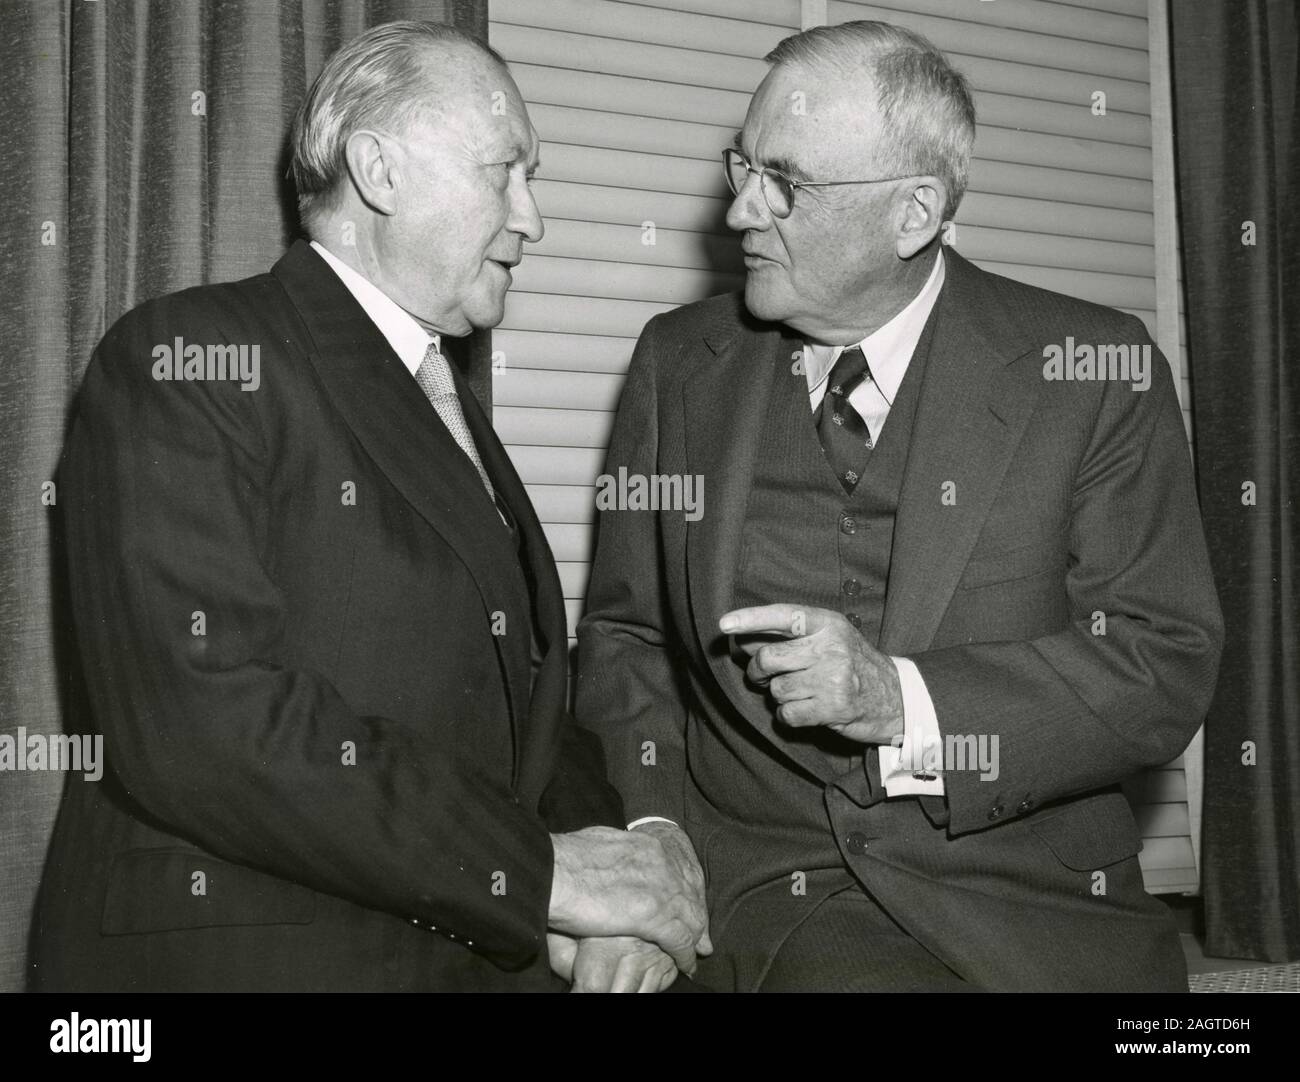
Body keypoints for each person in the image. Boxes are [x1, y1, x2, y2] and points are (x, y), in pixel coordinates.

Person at [31, 21, 706, 993]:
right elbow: (203, 722)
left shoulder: (444, 397)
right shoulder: (187, 359)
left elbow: (522, 715)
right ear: (379, 172)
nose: (533, 218)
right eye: (505, 170)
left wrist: (620, 870)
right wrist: (553, 875)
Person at [576, 20, 1223, 992]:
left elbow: (1161, 664)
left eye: (783, 181)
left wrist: (901, 701)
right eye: (739, 166)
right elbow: (626, 636)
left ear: (913, 212)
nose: (740, 211)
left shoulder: (1094, 371)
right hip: (757, 904)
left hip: (1024, 910)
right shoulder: (677, 364)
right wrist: (653, 838)